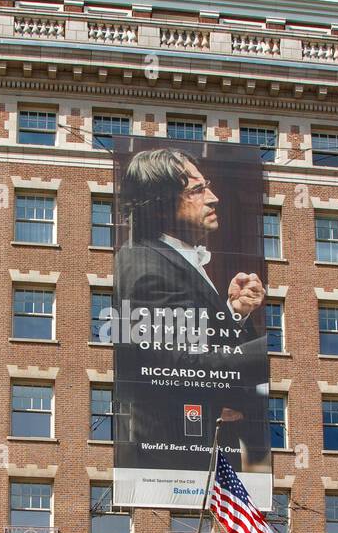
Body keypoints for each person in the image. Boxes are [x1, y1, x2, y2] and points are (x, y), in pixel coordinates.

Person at [113, 147, 269, 469]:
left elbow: (193, 346)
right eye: (197, 190)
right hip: (176, 459)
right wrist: (272, 350)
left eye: (206, 185)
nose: (213, 198)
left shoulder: (174, 256)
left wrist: (233, 313)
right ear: (159, 205)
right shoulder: (145, 267)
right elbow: (179, 368)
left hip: (203, 452)